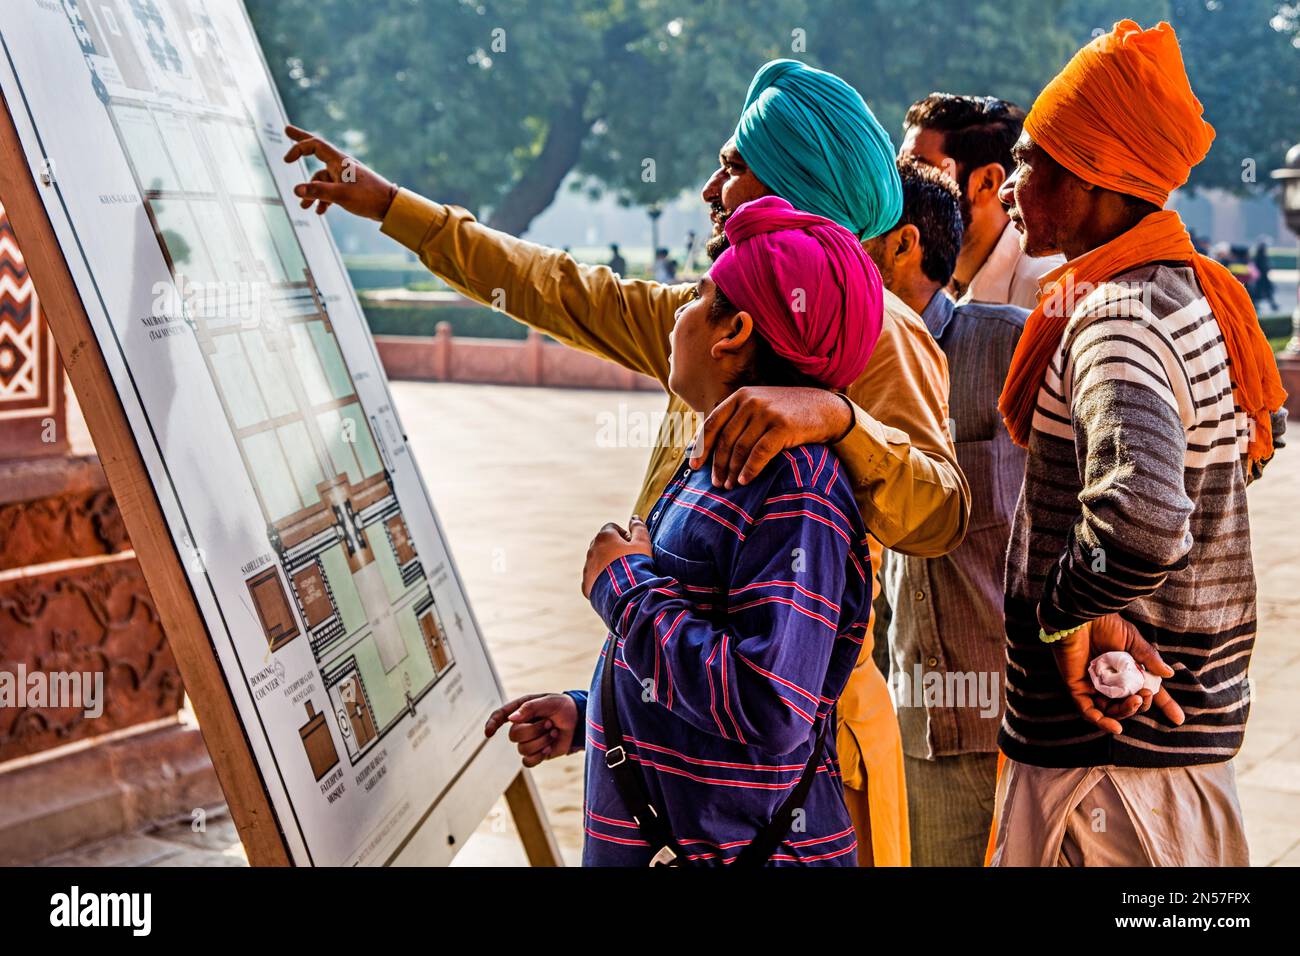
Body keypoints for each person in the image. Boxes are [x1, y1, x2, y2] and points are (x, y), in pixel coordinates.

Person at [284, 58, 970, 867]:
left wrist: (837, 416)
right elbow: (556, 289)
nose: (713, 193)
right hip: (676, 735)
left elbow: (939, 512)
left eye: (734, 169)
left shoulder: (871, 335)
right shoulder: (717, 310)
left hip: (777, 781)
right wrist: (393, 208)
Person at [487, 196, 882, 865]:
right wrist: (593, 713)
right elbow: (705, 653)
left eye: (696, 300)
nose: (679, 316)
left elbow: (769, 704)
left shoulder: (796, 488)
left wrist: (622, 586)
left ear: (732, 336)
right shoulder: (719, 460)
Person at [989, 20, 1288, 866]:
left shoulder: (1116, 316)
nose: (1013, 184)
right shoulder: (1179, 294)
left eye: (1030, 160)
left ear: (1093, 178)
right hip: (1161, 754)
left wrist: (1064, 617)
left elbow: (1146, 517)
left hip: (1114, 774)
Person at [861, 157, 1027, 866]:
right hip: (915, 726)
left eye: (851, 237)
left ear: (900, 246)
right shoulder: (850, 373)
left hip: (1015, 723)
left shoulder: (1013, 346)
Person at [900, 93, 1061, 309]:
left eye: (918, 170)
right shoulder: (923, 278)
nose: (900, 185)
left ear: (986, 183)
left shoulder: (1045, 292)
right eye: (900, 169)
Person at [1253, 240, 1278, 312]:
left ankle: (1273, 305)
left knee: (1264, 293)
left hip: (1261, 278)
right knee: (1264, 292)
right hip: (1262, 278)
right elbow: (1263, 266)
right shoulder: (1261, 256)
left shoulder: (1259, 255)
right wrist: (1268, 268)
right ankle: (1273, 305)